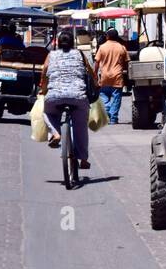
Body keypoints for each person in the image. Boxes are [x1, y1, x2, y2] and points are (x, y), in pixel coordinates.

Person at [39, 29, 96, 170]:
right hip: (78, 96)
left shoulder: (51, 55)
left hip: (55, 96)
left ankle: (56, 133)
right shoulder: (80, 54)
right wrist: (96, 83)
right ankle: (83, 159)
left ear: (58, 43)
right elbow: (90, 71)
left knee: (47, 113)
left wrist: (43, 89)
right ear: (73, 43)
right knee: (81, 128)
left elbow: (44, 71)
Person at [95, 28, 130, 125]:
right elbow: (127, 62)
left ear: (107, 36)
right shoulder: (121, 47)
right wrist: (125, 71)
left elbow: (97, 62)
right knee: (116, 98)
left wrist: (95, 74)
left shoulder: (102, 47)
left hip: (105, 76)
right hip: (117, 76)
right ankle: (113, 119)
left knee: (103, 96)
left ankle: (106, 112)